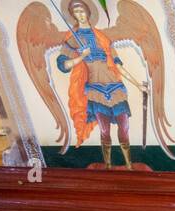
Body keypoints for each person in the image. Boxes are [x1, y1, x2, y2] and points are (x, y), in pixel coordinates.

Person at [54, 0, 144, 168]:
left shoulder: (102, 37)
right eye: (76, 12)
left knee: (124, 129)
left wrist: (138, 84)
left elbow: (118, 65)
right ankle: (108, 166)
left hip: (116, 87)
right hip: (95, 90)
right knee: (104, 131)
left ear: (88, 13)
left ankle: (129, 165)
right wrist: (81, 56)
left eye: (82, 11)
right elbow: (63, 65)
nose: (79, 15)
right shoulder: (73, 38)